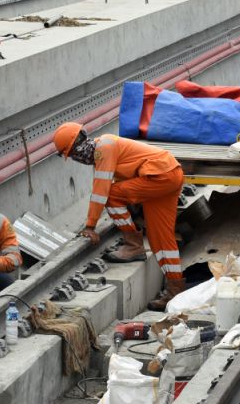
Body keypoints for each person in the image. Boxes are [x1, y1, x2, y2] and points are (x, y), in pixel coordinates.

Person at [53, 123, 185, 311]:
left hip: (159, 176)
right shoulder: (105, 147)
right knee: (161, 240)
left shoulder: (103, 149)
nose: (75, 159)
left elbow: (101, 191)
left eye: (71, 154)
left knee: (112, 194)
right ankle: (176, 290)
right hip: (169, 174)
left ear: (75, 148)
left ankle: (133, 244)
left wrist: (90, 226)